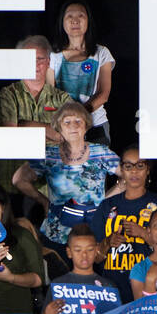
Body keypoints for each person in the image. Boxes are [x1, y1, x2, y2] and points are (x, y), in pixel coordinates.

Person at [12, 100, 119, 252]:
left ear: (86, 125)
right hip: (58, 233)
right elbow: (18, 180)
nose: (73, 125)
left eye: (78, 121)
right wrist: (43, 201)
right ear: (58, 127)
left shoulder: (100, 152)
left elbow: (130, 176)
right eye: (67, 121)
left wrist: (105, 201)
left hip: (94, 233)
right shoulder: (50, 154)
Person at [0, 34, 72, 195]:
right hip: (12, 189)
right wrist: (51, 132)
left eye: (40, 59)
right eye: (29, 59)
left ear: (48, 62)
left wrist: (24, 124)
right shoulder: (7, 95)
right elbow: (10, 134)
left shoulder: (62, 98)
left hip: (51, 189)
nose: (35, 65)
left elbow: (70, 137)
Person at [48, 0, 115, 142]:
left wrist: (79, 116)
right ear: (62, 22)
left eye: (80, 16)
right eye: (69, 16)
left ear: (88, 21)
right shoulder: (53, 55)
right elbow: (49, 92)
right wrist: (68, 120)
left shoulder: (101, 53)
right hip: (62, 127)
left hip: (95, 125)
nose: (75, 21)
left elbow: (103, 94)